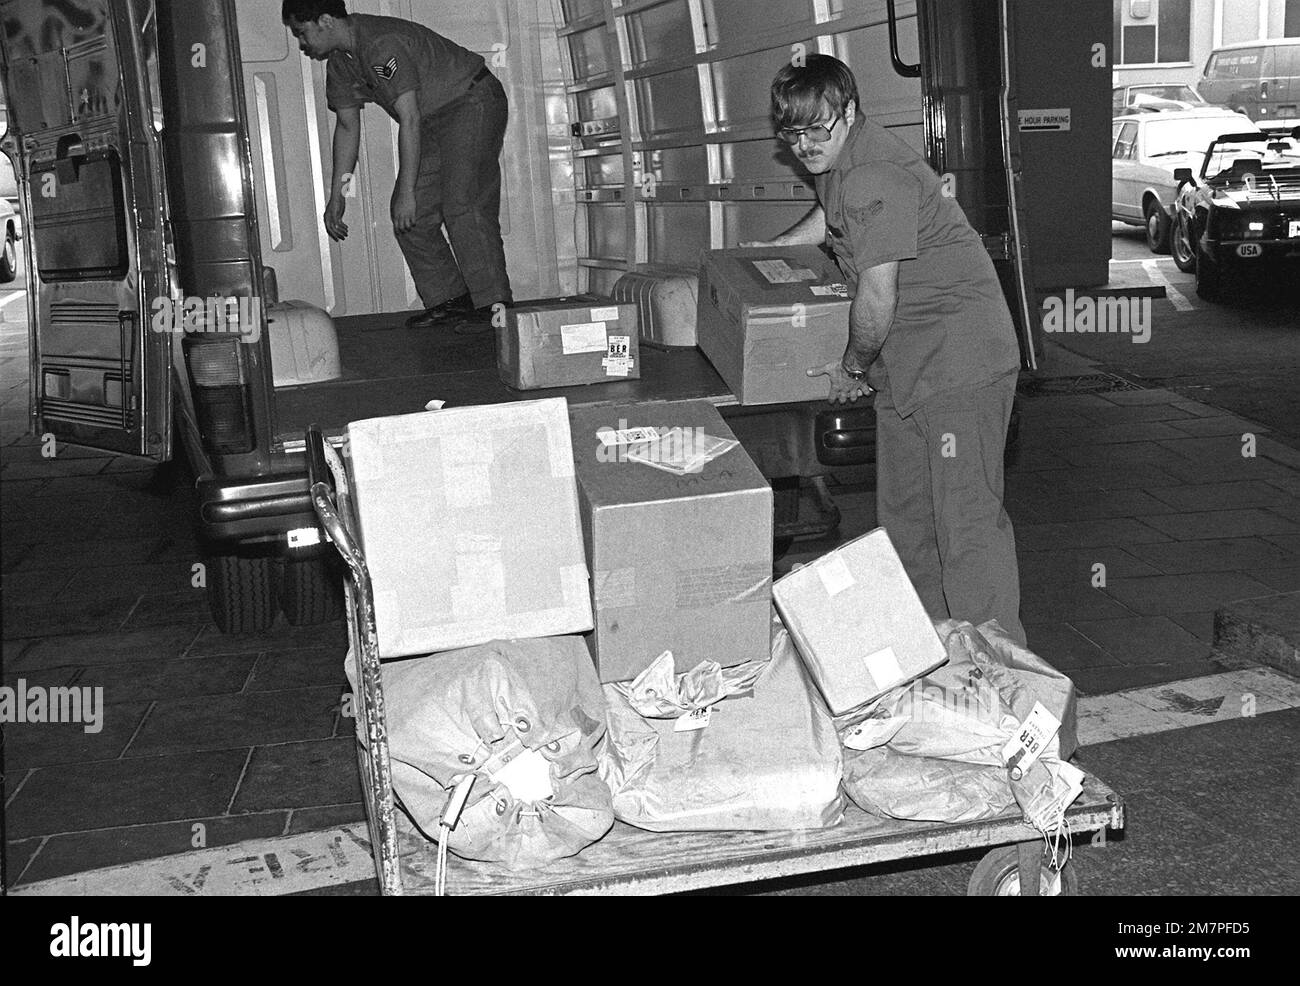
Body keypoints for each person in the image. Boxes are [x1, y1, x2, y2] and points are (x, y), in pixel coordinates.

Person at [751, 54, 1025, 644]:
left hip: (960, 362)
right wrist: (755, 261)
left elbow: (878, 294)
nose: (804, 144)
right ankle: (927, 654)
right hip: (906, 366)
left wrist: (852, 366)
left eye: (817, 128)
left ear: (849, 111)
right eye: (791, 132)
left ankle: (1004, 678)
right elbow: (828, 217)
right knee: (905, 524)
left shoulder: (876, 174)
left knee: (966, 527)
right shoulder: (839, 161)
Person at [283, 0, 511, 328]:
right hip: (432, 120)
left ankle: (495, 308)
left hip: (470, 100)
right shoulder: (340, 64)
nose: (302, 44)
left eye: (302, 33)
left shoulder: (380, 43)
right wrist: (338, 195)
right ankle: (451, 300)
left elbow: (410, 118)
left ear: (325, 20)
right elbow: (347, 128)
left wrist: (407, 190)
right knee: (411, 216)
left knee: (463, 203)